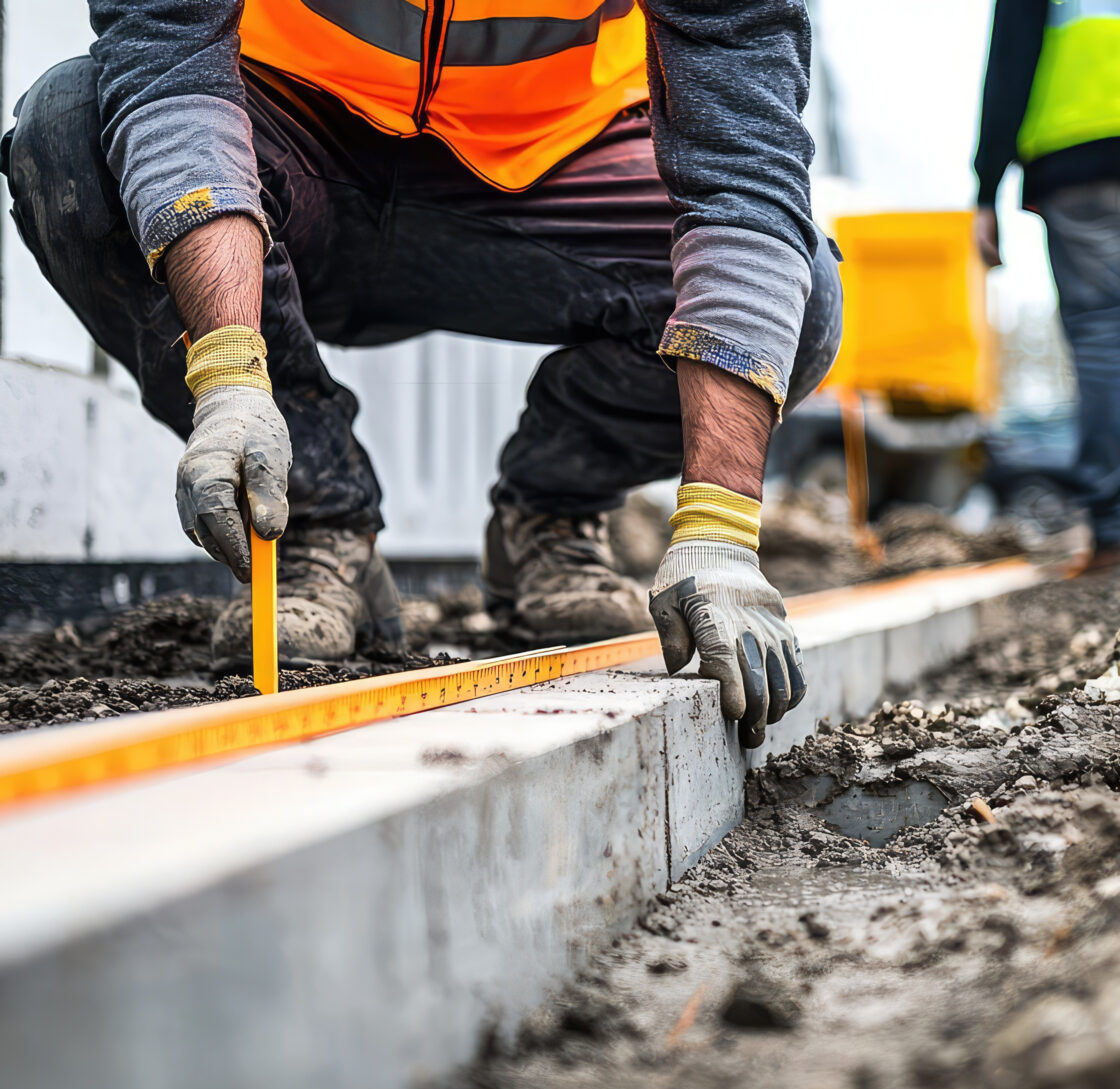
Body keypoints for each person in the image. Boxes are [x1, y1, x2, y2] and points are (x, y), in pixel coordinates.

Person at [3, 0, 841, 750]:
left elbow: (744, 180)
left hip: (547, 167)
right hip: (284, 138)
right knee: (75, 135)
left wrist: (720, 527)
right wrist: (228, 373)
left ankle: (549, 519)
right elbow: (168, 63)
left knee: (790, 301)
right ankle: (316, 522)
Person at [975, 0, 1120, 567]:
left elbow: (1012, 54)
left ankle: (1113, 527)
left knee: (1104, 333)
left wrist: (987, 185)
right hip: (1080, 154)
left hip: (1081, 148)